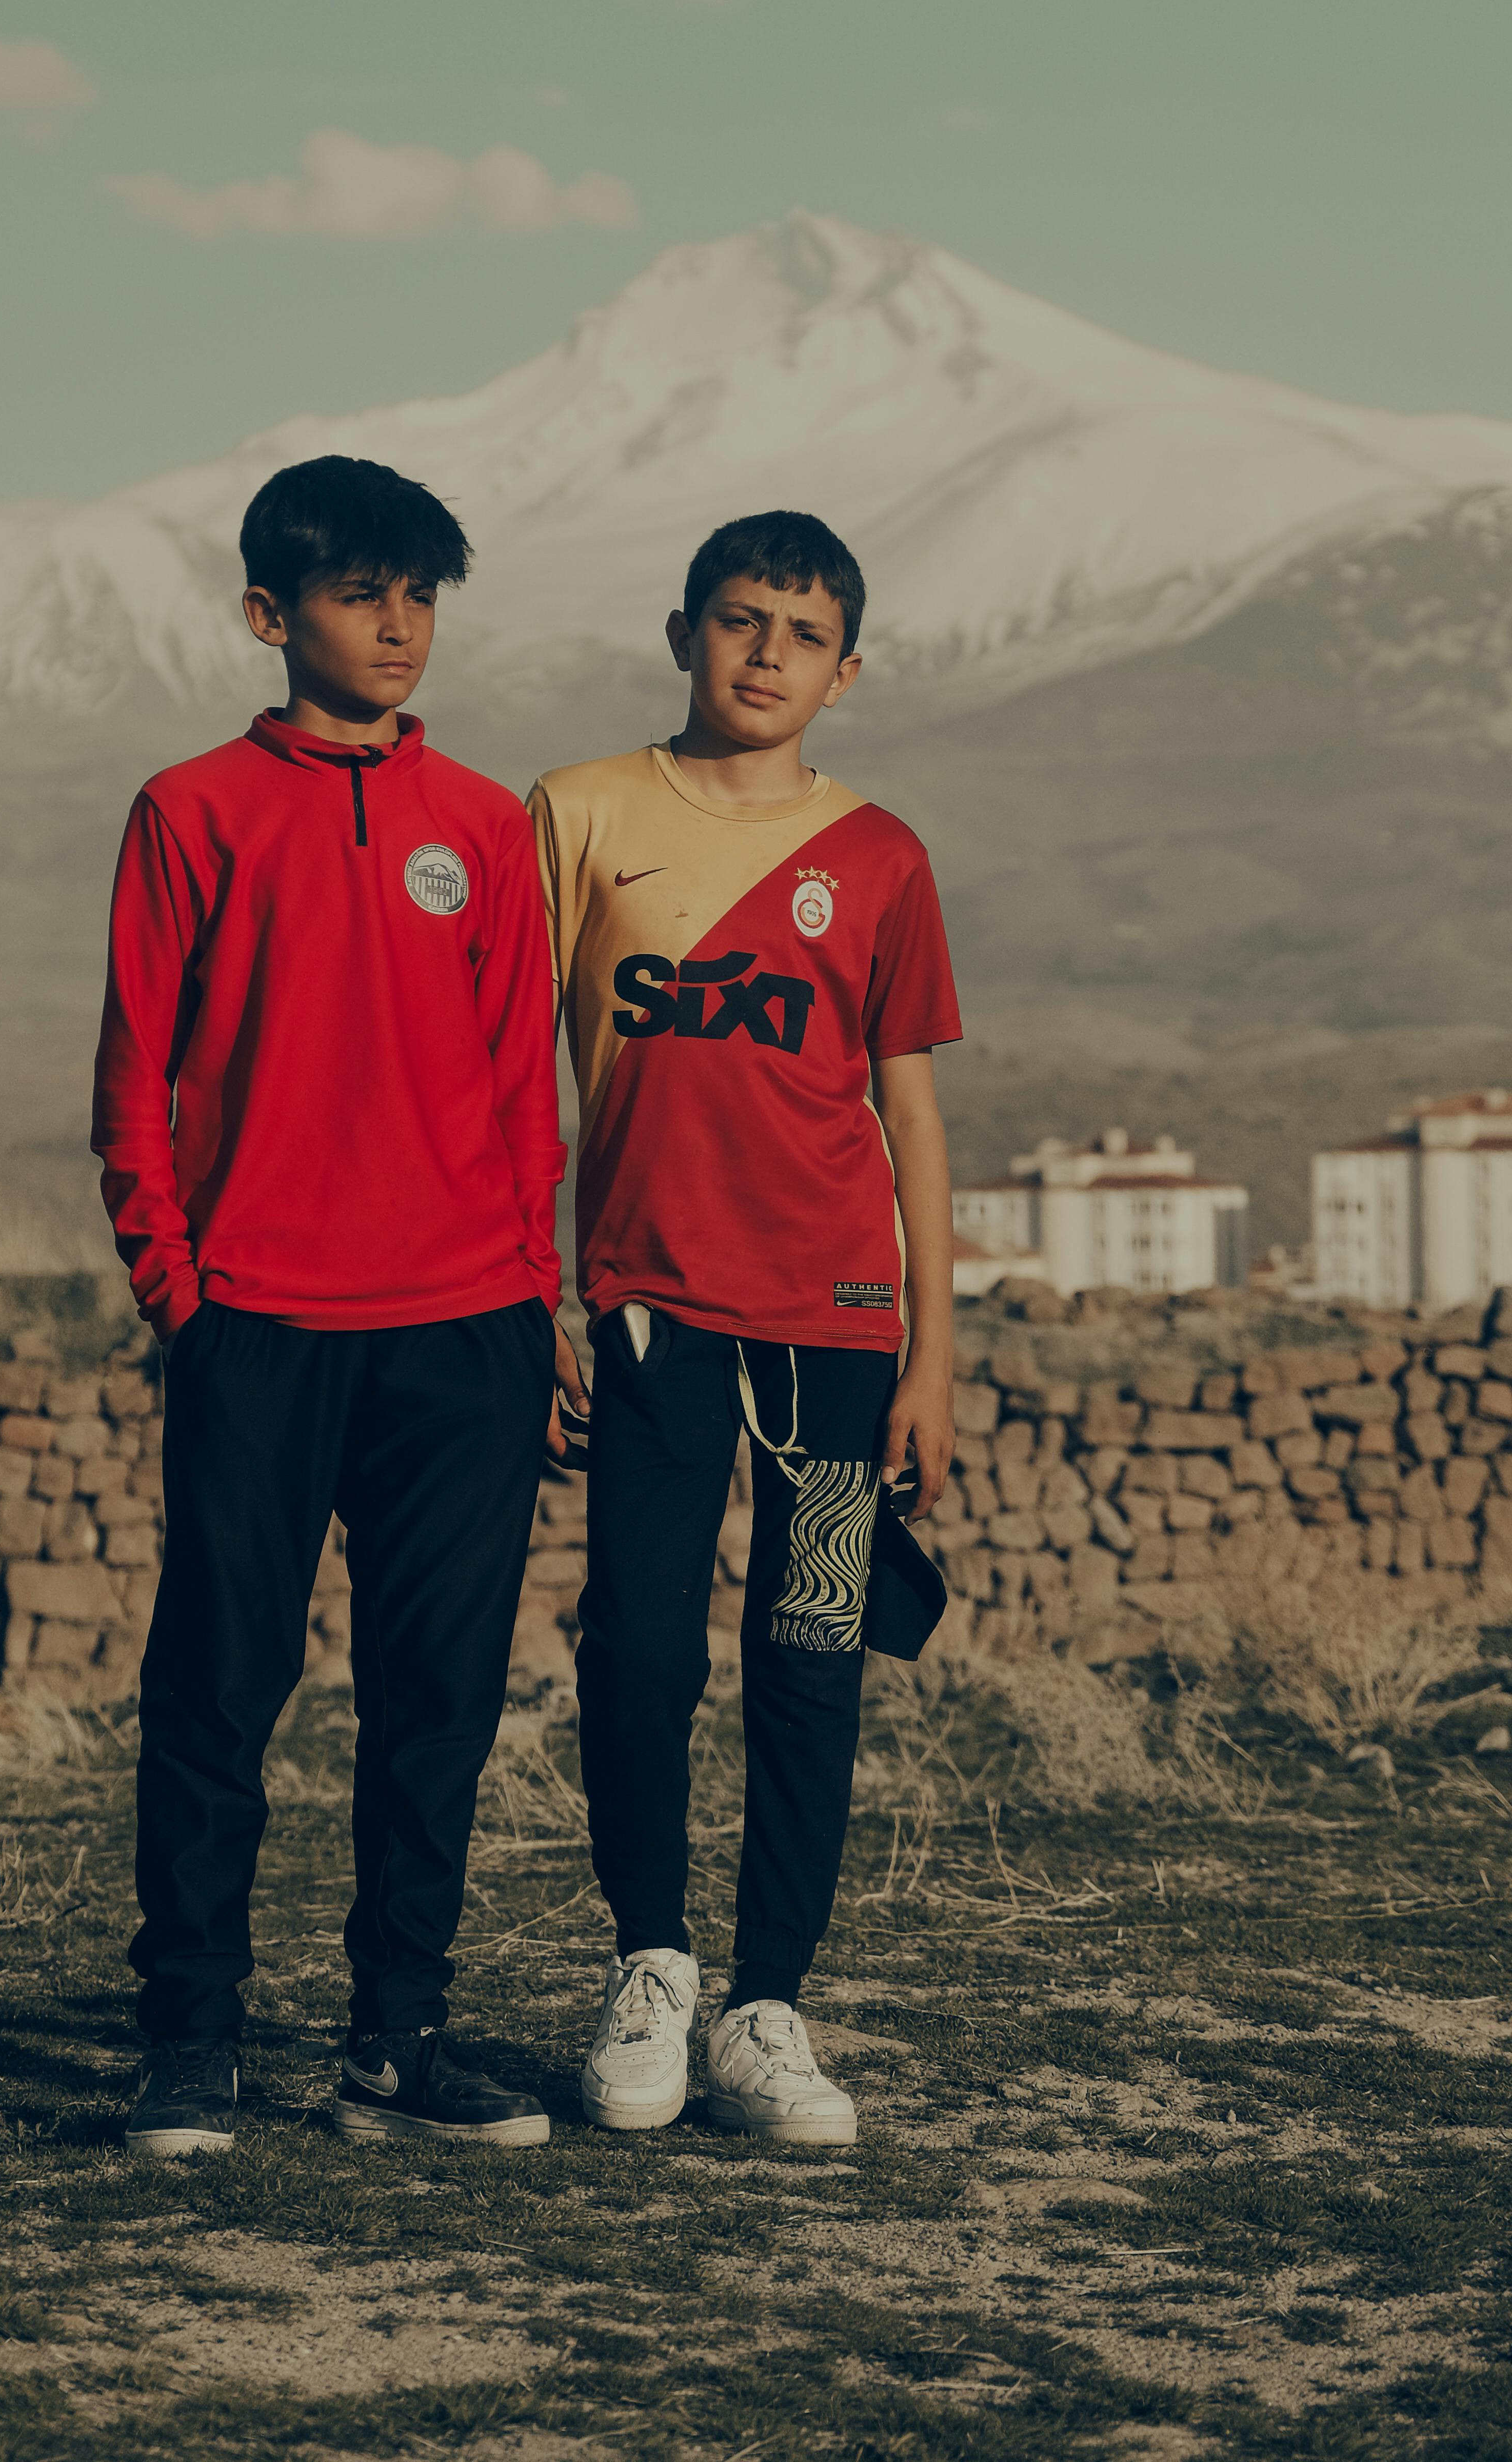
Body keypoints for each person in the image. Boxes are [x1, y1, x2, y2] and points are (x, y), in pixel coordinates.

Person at [93, 453, 568, 2158]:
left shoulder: (485, 826)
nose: (399, 625)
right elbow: (137, 1075)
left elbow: (529, 1089)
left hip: (466, 1337)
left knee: (438, 1700)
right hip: (263, 1326)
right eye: (364, 593)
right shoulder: (191, 809)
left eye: (422, 594)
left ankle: (399, 2042)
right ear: (269, 615)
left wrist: (536, 1303)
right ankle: (190, 2042)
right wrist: (180, 1288)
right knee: (218, 1689)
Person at [528, 509, 960, 2147]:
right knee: (637, 1652)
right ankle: (651, 1969)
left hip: (842, 1340)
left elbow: (910, 1117)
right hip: (648, 1320)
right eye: (738, 619)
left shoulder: (886, 859)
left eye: (800, 630)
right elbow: (513, 1077)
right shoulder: (579, 814)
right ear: (682, 633)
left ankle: (768, 2010)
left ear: (846, 671)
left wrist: (934, 1349)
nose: (765, 652)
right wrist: (532, 1289)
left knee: (812, 1654)